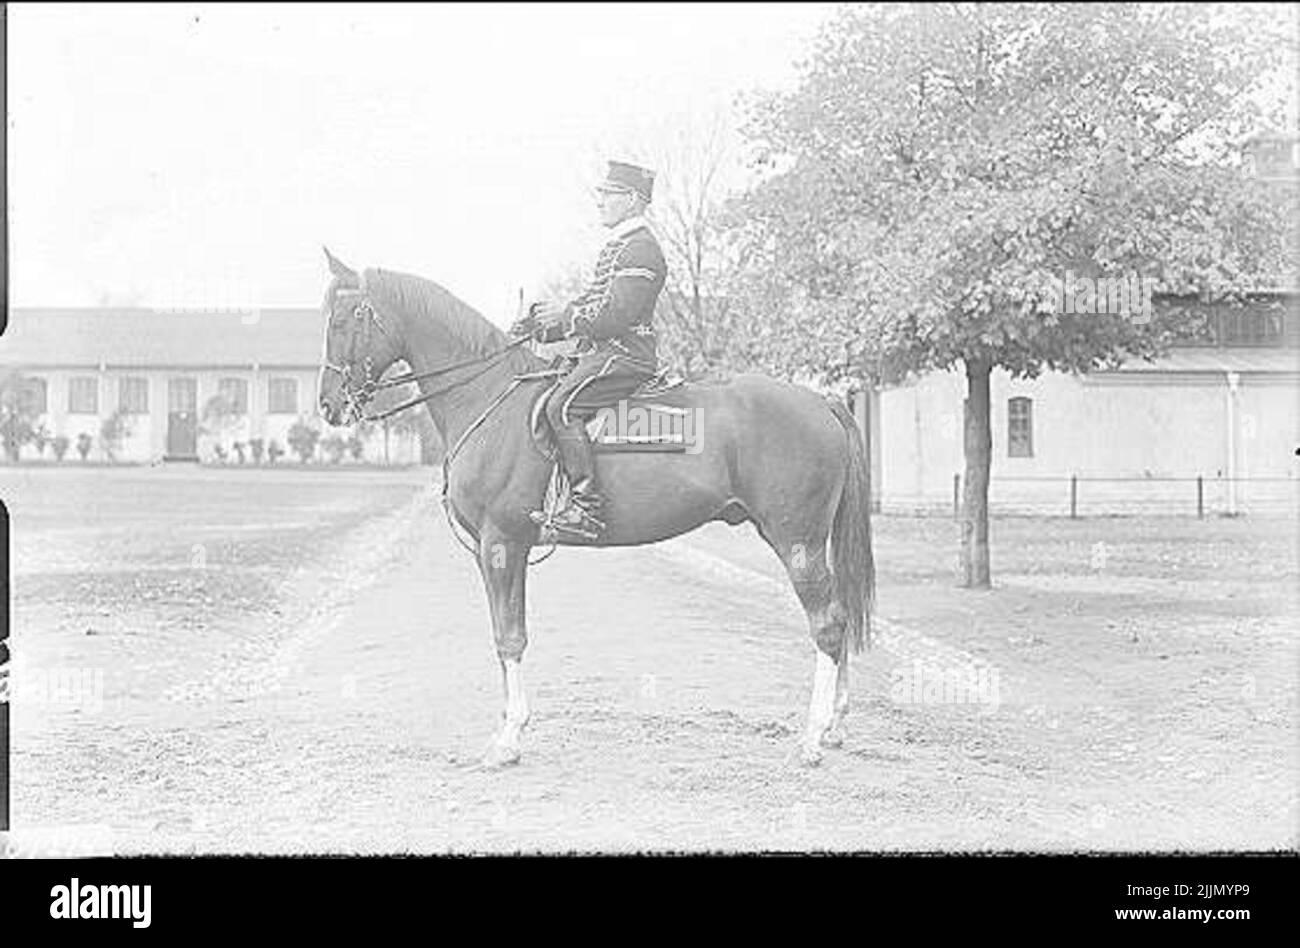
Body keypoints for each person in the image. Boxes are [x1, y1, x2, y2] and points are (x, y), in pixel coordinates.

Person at [511, 160, 667, 537]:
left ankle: (586, 506)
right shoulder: (620, 247)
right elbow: (592, 303)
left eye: (608, 195)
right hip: (604, 352)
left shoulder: (641, 250)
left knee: (560, 407)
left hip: (625, 354)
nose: (600, 202)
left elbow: (614, 315)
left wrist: (564, 314)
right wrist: (539, 328)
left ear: (632, 200)